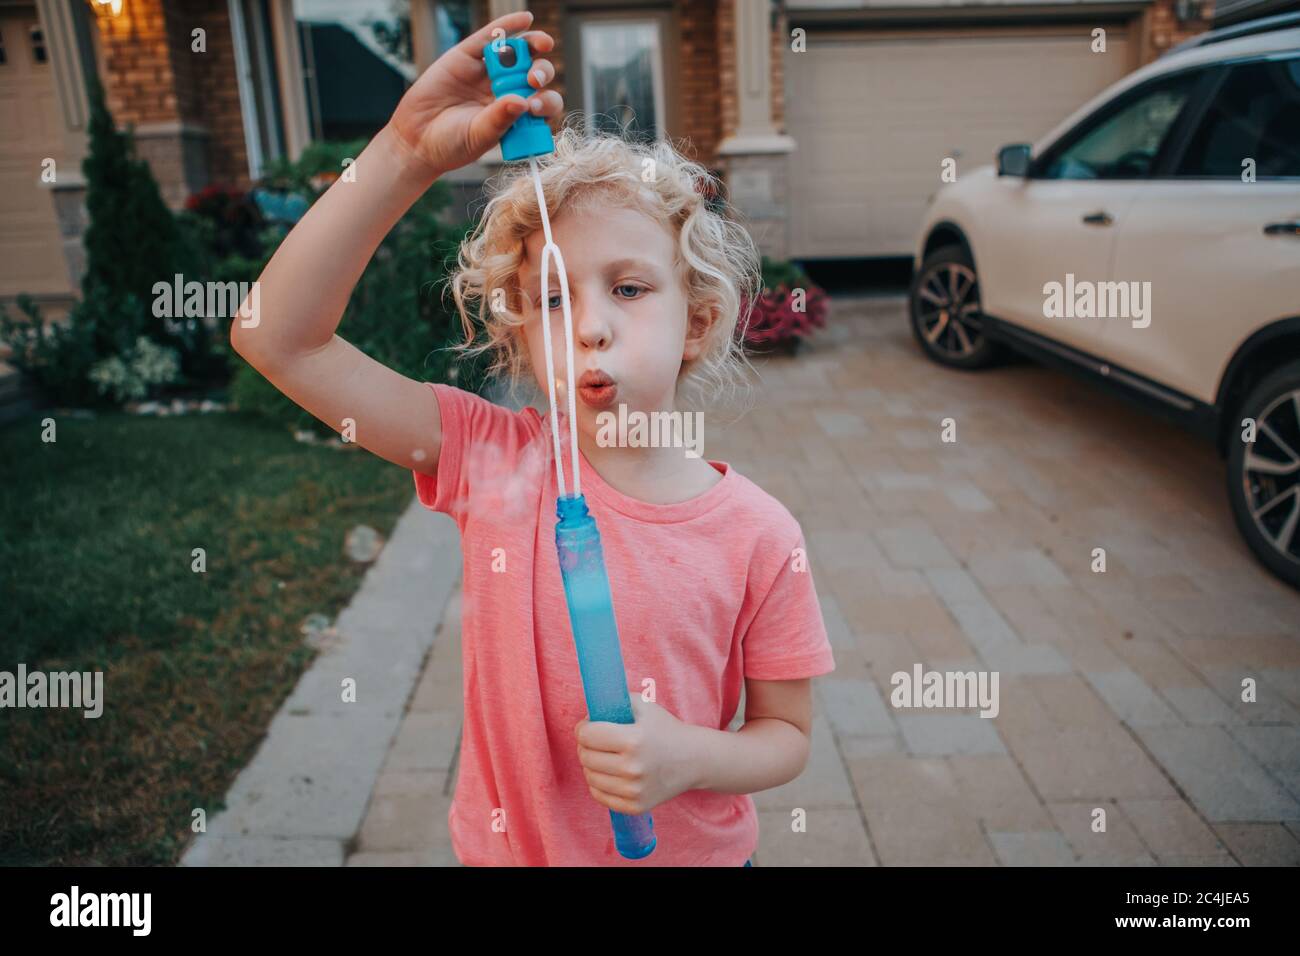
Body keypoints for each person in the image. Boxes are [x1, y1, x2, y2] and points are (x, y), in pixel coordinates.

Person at [231, 9, 835, 866]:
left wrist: (690, 757)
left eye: (627, 288)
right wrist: (405, 152)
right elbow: (274, 335)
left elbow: (785, 734)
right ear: (521, 338)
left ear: (697, 322)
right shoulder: (491, 462)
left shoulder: (760, 536)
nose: (589, 326)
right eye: (554, 300)